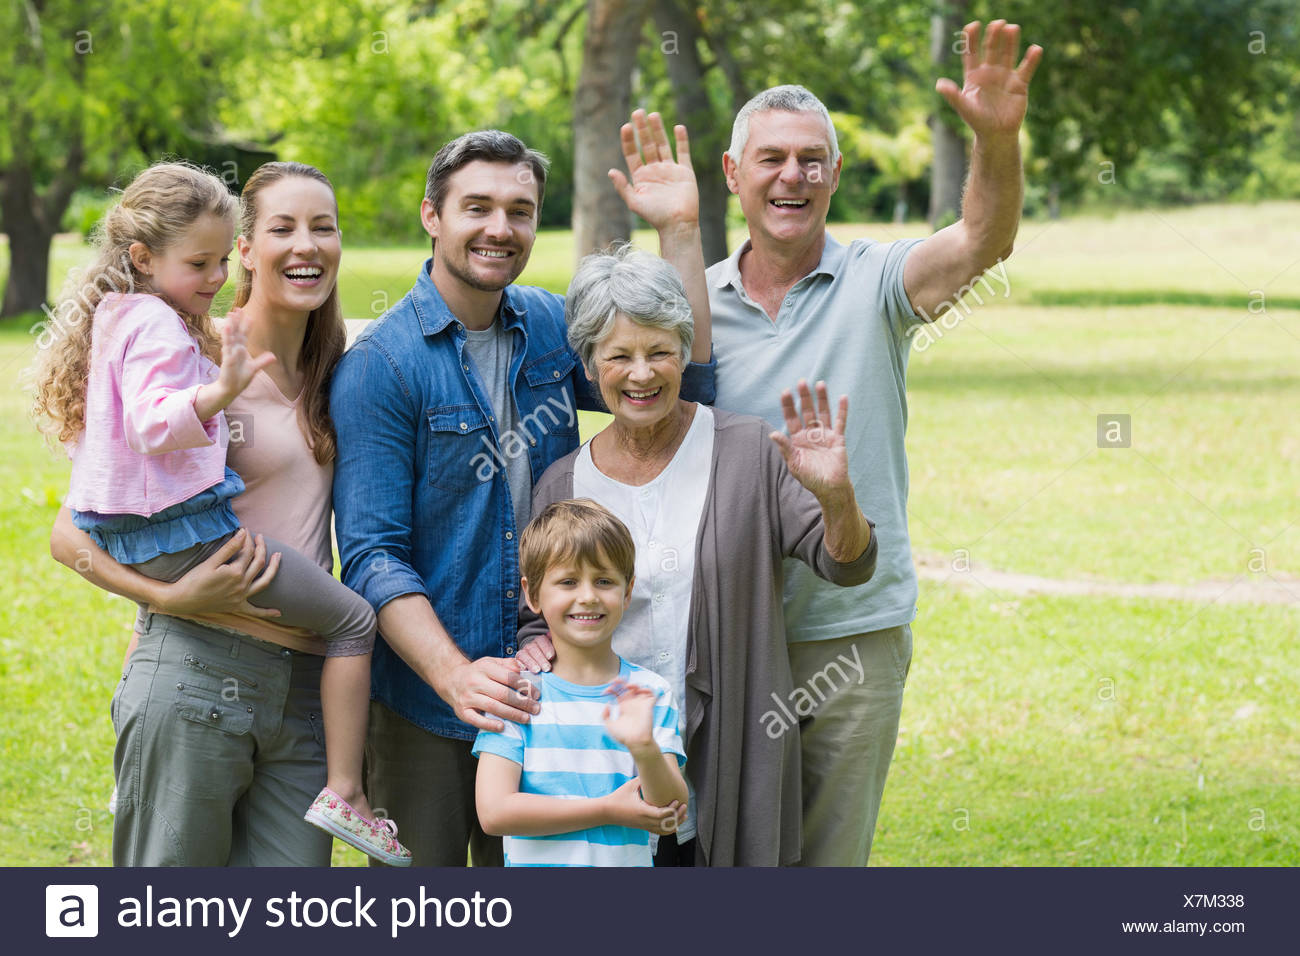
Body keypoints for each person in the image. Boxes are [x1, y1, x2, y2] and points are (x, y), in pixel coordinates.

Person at [330, 114, 715, 867]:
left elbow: (678, 377)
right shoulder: (383, 364)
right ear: (431, 216)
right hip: (427, 704)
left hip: (555, 691)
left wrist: (679, 232)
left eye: (520, 211)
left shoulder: (546, 322)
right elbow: (374, 555)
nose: (500, 228)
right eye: (477, 207)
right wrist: (454, 674)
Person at [704, 21, 1043, 865]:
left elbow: (982, 240)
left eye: (813, 159)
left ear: (835, 175)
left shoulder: (879, 282)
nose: (794, 175)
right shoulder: (692, 303)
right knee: (722, 858)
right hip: (724, 630)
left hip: (852, 630)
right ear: (734, 174)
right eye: (773, 157)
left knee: (828, 863)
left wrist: (995, 140)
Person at [44, 161, 387, 866]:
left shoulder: (343, 370)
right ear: (247, 252)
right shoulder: (190, 357)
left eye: (323, 227)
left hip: (304, 689)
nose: (307, 245)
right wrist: (166, 595)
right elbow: (69, 531)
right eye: (284, 228)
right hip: (198, 667)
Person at [515, 245, 878, 866]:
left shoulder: (746, 451)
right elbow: (540, 617)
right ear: (589, 364)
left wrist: (837, 496)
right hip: (600, 776)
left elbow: (847, 563)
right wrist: (532, 642)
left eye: (659, 351)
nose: (641, 374)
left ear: (685, 352)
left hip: (733, 751)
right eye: (619, 356)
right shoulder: (562, 482)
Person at [473, 499, 688, 866]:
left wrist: (644, 747)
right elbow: (494, 812)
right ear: (533, 594)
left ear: (627, 589)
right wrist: (605, 810)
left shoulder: (649, 693)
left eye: (604, 581)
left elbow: (668, 814)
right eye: (568, 581)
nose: (588, 596)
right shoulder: (518, 695)